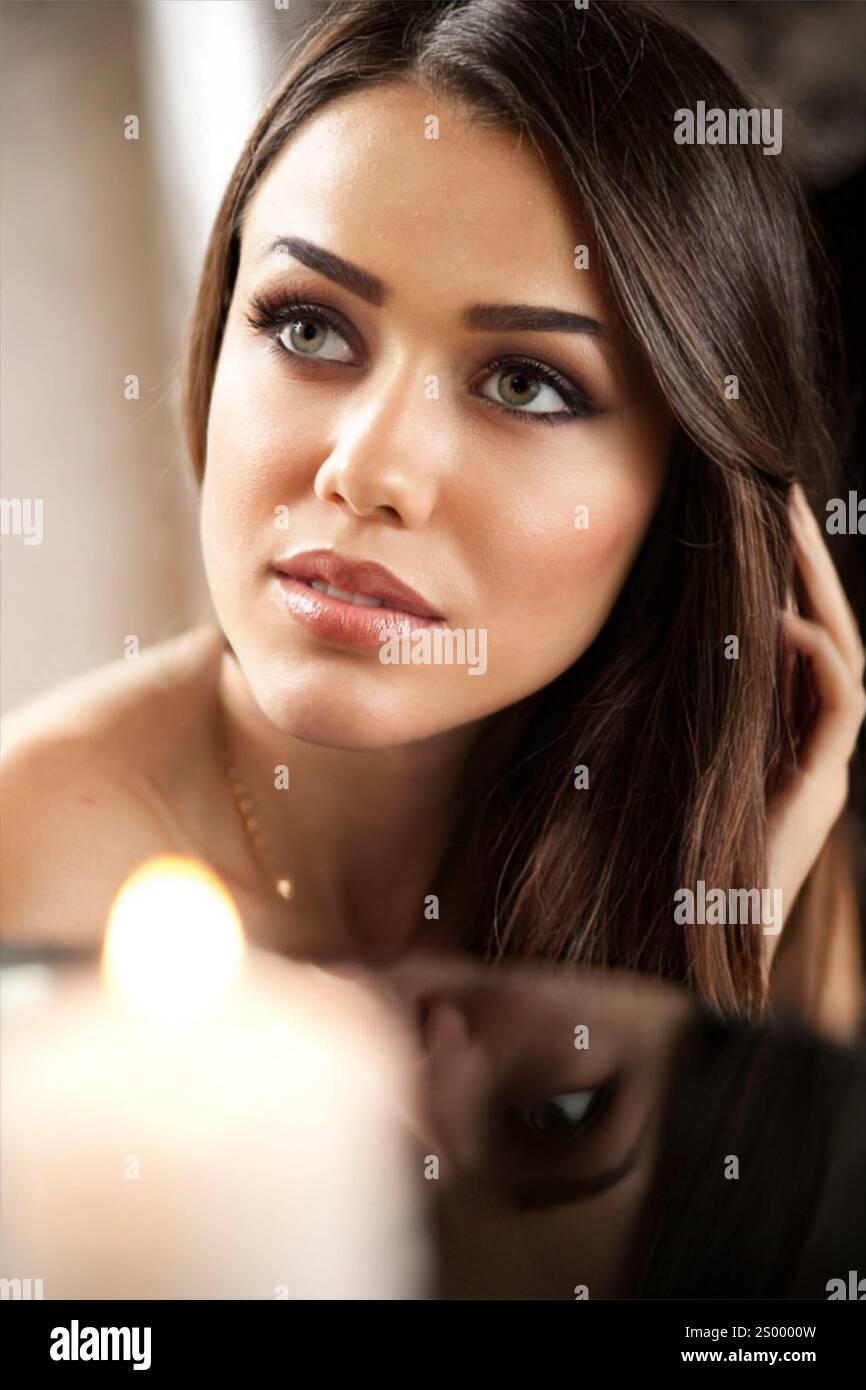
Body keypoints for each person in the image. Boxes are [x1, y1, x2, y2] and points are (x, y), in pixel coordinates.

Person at [2, 0, 864, 1033]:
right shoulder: (30, 877)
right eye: (309, 327)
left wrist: (713, 989)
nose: (366, 472)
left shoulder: (749, 860)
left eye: (522, 385)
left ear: (682, 492)